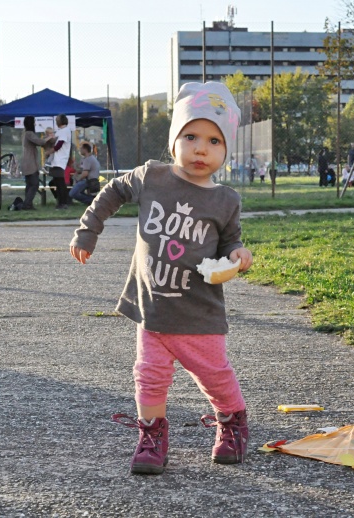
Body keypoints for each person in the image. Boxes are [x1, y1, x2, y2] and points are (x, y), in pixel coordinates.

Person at [69, 81, 253, 474]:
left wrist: (237, 257)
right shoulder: (152, 176)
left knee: (215, 377)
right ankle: (151, 435)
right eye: (190, 136)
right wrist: (89, 229)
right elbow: (112, 190)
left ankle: (233, 421)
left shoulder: (225, 200)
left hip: (199, 312)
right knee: (149, 376)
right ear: (174, 141)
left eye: (214, 141)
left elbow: (230, 243)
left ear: (225, 151)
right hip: (153, 307)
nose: (201, 148)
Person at [18, 116, 49, 210]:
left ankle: (28, 204)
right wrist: (49, 138)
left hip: (26, 162)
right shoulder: (29, 133)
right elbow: (40, 142)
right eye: (34, 122)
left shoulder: (25, 133)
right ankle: (27, 204)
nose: (35, 124)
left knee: (29, 185)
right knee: (34, 184)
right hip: (30, 163)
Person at [46, 114, 73, 209]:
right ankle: (60, 201)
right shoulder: (60, 131)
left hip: (60, 160)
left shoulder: (65, 131)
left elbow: (59, 145)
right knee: (56, 181)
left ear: (61, 121)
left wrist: (50, 151)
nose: (56, 121)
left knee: (60, 182)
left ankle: (63, 202)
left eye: (57, 120)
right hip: (56, 160)